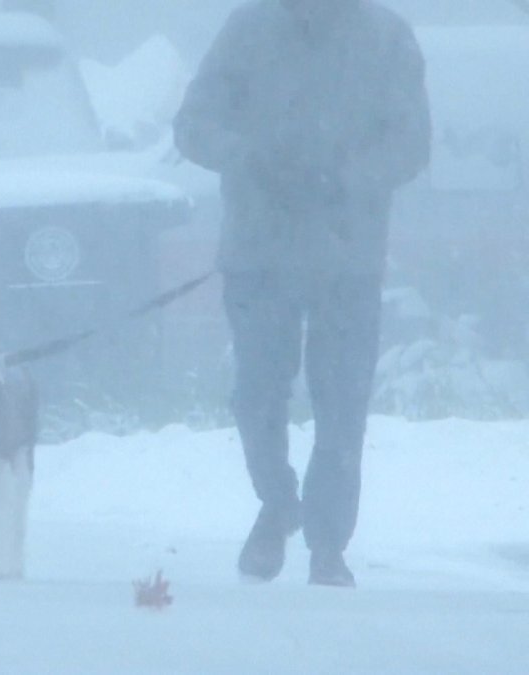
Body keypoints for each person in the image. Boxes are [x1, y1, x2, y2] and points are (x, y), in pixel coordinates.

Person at [173, 0, 431, 587]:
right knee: (257, 395)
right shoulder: (247, 28)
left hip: (348, 258)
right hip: (259, 252)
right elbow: (192, 125)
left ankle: (328, 542)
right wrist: (251, 158)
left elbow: (413, 141)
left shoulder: (387, 36)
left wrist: (343, 177)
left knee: (342, 402)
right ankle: (277, 503)